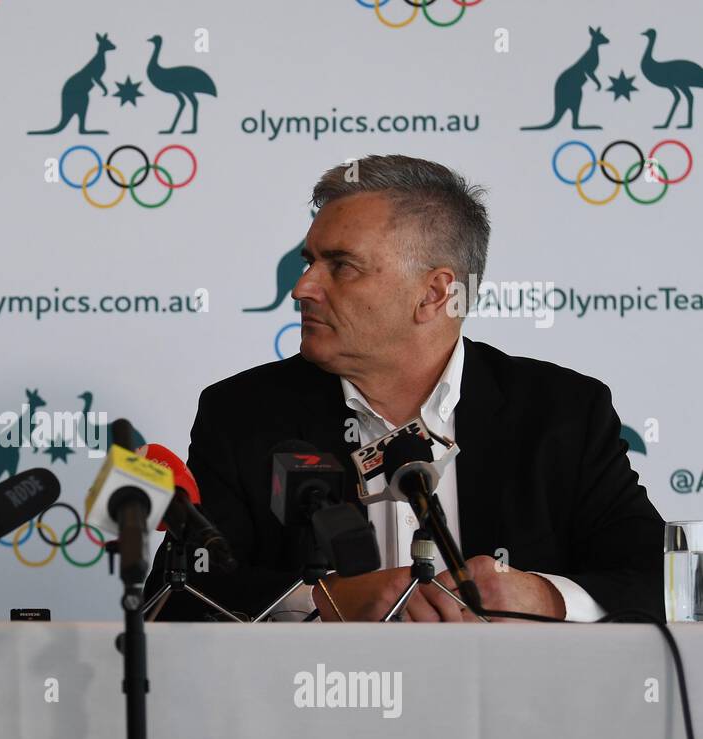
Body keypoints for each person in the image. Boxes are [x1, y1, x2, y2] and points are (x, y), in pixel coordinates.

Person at [145, 154, 663, 623]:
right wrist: (325, 599)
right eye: (309, 262)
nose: (302, 287)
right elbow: (183, 592)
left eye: (341, 266)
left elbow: (656, 577)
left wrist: (545, 597)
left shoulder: (561, 411)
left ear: (434, 293)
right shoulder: (243, 414)